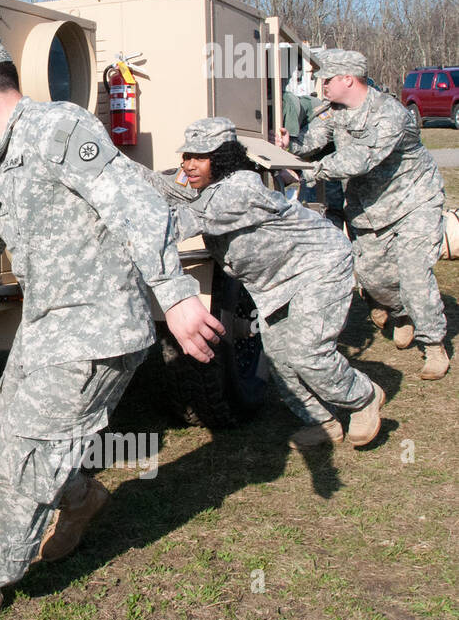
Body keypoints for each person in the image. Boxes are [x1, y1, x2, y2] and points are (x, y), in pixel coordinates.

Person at [0, 36, 224, 620]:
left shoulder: (59, 129)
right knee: (13, 425)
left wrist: (177, 292)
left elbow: (138, 201)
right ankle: (80, 498)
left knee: (19, 458)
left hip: (96, 329)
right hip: (48, 327)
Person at [142, 118, 383, 450]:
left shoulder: (238, 191)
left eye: (200, 157)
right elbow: (164, 186)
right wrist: (109, 166)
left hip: (318, 267)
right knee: (281, 358)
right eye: (186, 157)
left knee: (307, 352)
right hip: (274, 282)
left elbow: (174, 224)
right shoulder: (206, 184)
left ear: (223, 157)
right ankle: (322, 421)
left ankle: (363, 398)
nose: (188, 165)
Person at [278, 49, 449, 380]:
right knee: (371, 277)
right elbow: (312, 142)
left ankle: (433, 344)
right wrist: (290, 145)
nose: (322, 86)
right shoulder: (332, 110)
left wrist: (309, 173)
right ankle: (400, 312)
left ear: (347, 79)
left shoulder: (390, 114)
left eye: (327, 80)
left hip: (415, 200)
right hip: (370, 208)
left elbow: (360, 159)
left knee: (414, 272)